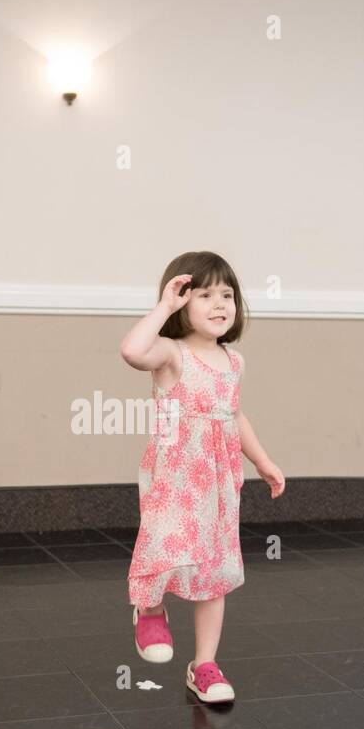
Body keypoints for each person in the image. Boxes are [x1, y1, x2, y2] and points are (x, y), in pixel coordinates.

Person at [120, 251, 285, 703]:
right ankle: (150, 607)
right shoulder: (171, 353)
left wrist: (263, 461)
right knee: (167, 544)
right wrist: (164, 309)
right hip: (175, 476)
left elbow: (233, 415)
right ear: (182, 303)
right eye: (205, 294)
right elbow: (132, 350)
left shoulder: (234, 362)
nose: (219, 304)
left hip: (218, 480)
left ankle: (205, 664)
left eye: (227, 295)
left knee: (215, 566)